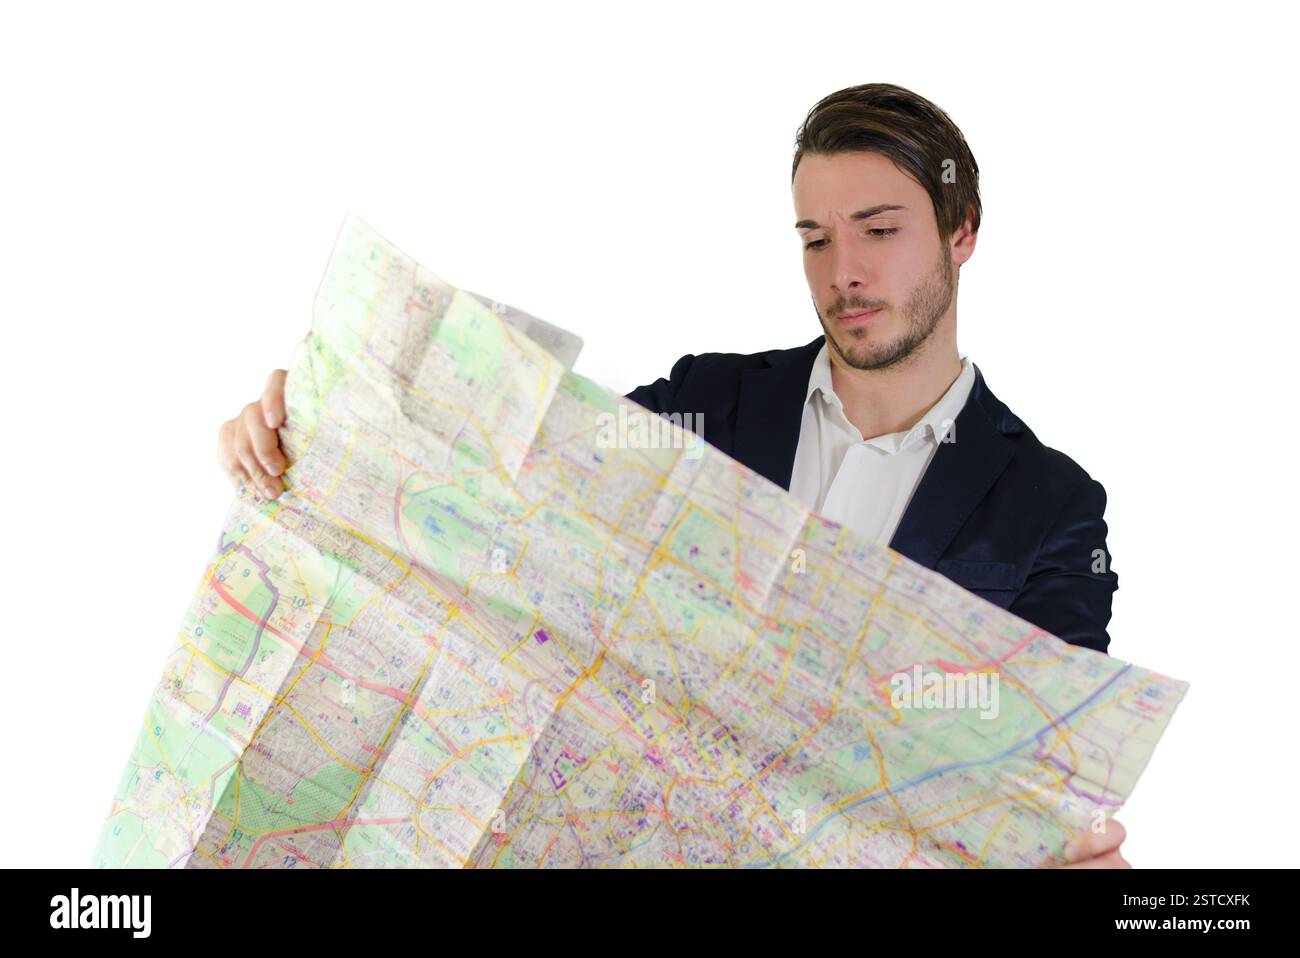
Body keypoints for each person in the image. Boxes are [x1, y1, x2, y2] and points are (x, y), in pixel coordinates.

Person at [216, 82, 1129, 868]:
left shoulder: (1051, 509)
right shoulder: (710, 404)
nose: (843, 273)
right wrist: (323, 425)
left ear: (962, 232)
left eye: (879, 230)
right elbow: (519, 479)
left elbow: (1039, 777)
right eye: (815, 239)